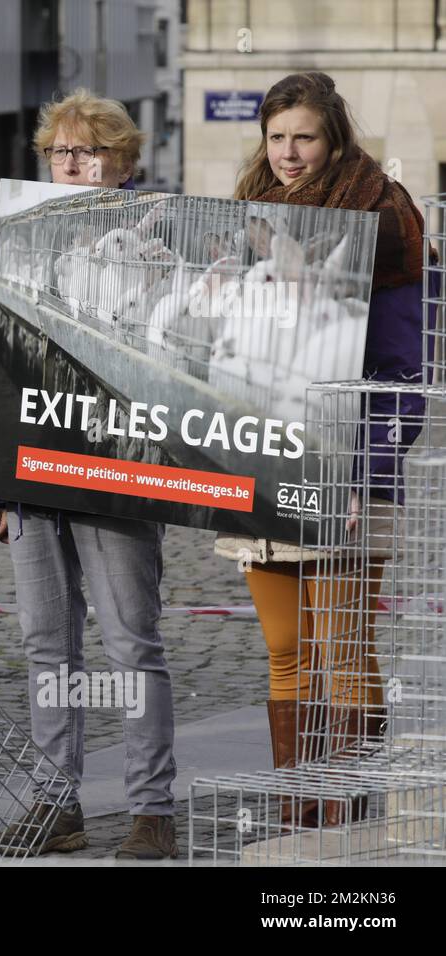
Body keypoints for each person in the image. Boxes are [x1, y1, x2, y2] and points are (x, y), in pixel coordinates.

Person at [0, 89, 178, 859]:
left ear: (124, 163)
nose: (71, 164)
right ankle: (56, 804)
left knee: (130, 643)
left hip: (117, 474)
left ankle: (151, 809)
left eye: (88, 152)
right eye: (59, 153)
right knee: (49, 645)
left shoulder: (159, 237)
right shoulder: (14, 242)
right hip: (32, 475)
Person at [214, 72, 430, 827]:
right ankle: (300, 812)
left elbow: (404, 374)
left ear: (333, 135)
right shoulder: (254, 214)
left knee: (343, 648)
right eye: (277, 137)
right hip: (264, 458)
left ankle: (350, 814)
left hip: (345, 477)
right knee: (284, 646)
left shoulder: (384, 215)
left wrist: (361, 476)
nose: (289, 153)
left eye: (304, 136)